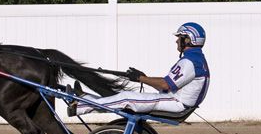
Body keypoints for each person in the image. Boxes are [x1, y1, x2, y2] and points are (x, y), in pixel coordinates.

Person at [69, 22, 210, 117]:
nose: (176, 41)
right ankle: (85, 99)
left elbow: (165, 84)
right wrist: (144, 77)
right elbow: (167, 83)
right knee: (123, 97)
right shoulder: (195, 60)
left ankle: (80, 106)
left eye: (179, 37)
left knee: (126, 97)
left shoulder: (190, 62)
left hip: (177, 104)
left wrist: (139, 78)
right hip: (174, 100)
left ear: (187, 40)